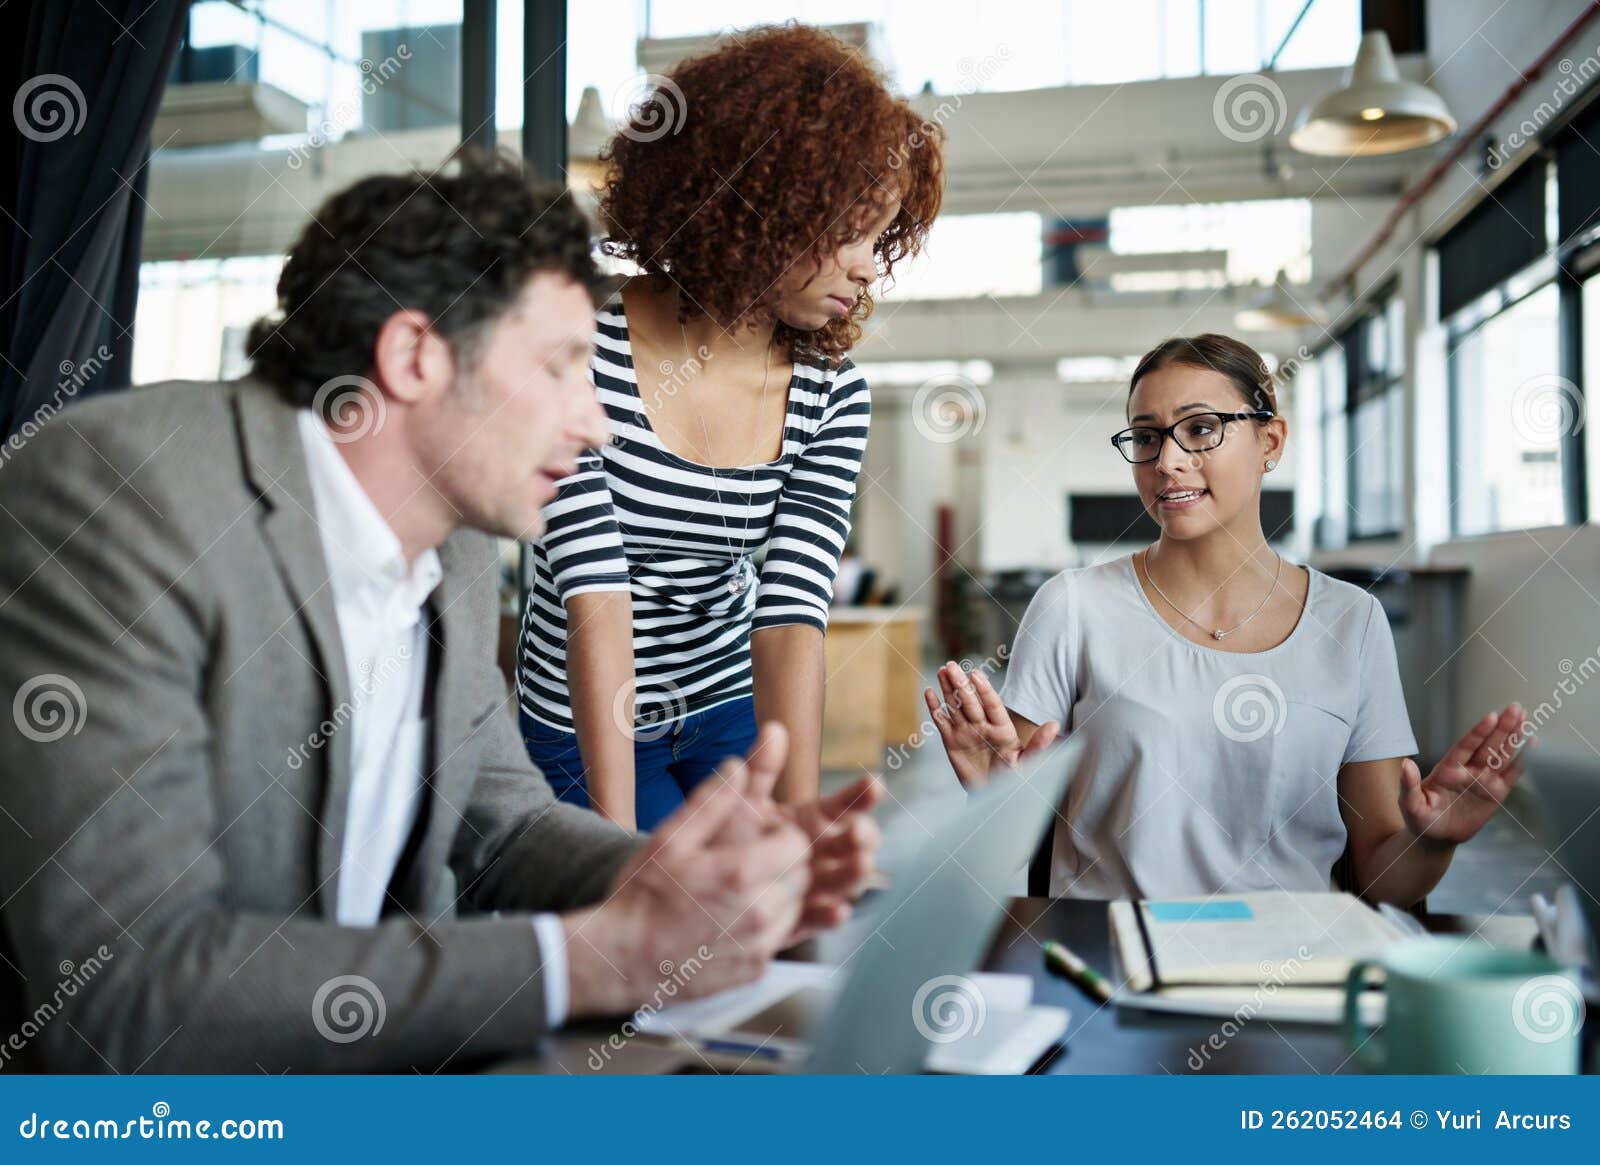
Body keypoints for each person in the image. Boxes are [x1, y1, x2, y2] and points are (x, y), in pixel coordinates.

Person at [0, 151, 881, 1073]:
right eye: (561, 369)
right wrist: (592, 958)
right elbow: (127, 992)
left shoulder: (451, 544)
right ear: (414, 356)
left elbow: (508, 827)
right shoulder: (118, 496)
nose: (596, 424)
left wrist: (674, 882)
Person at [517, 23, 944, 830]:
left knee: (764, 888)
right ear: (761, 207)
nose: (867, 264)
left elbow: (790, 617)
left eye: (879, 237)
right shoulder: (577, 345)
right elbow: (594, 596)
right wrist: (619, 856)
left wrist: (798, 836)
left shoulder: (831, 396)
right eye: (848, 229)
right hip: (584, 716)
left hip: (724, 702)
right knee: (655, 893)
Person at [923, 333, 1526, 905]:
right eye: (1147, 437)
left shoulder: (1352, 622)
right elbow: (1016, 846)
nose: (1168, 461)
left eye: (1202, 428)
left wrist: (1431, 841)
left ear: (1271, 441)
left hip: (1289, 955)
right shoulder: (1073, 607)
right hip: (1112, 948)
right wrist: (994, 803)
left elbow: (1383, 880)